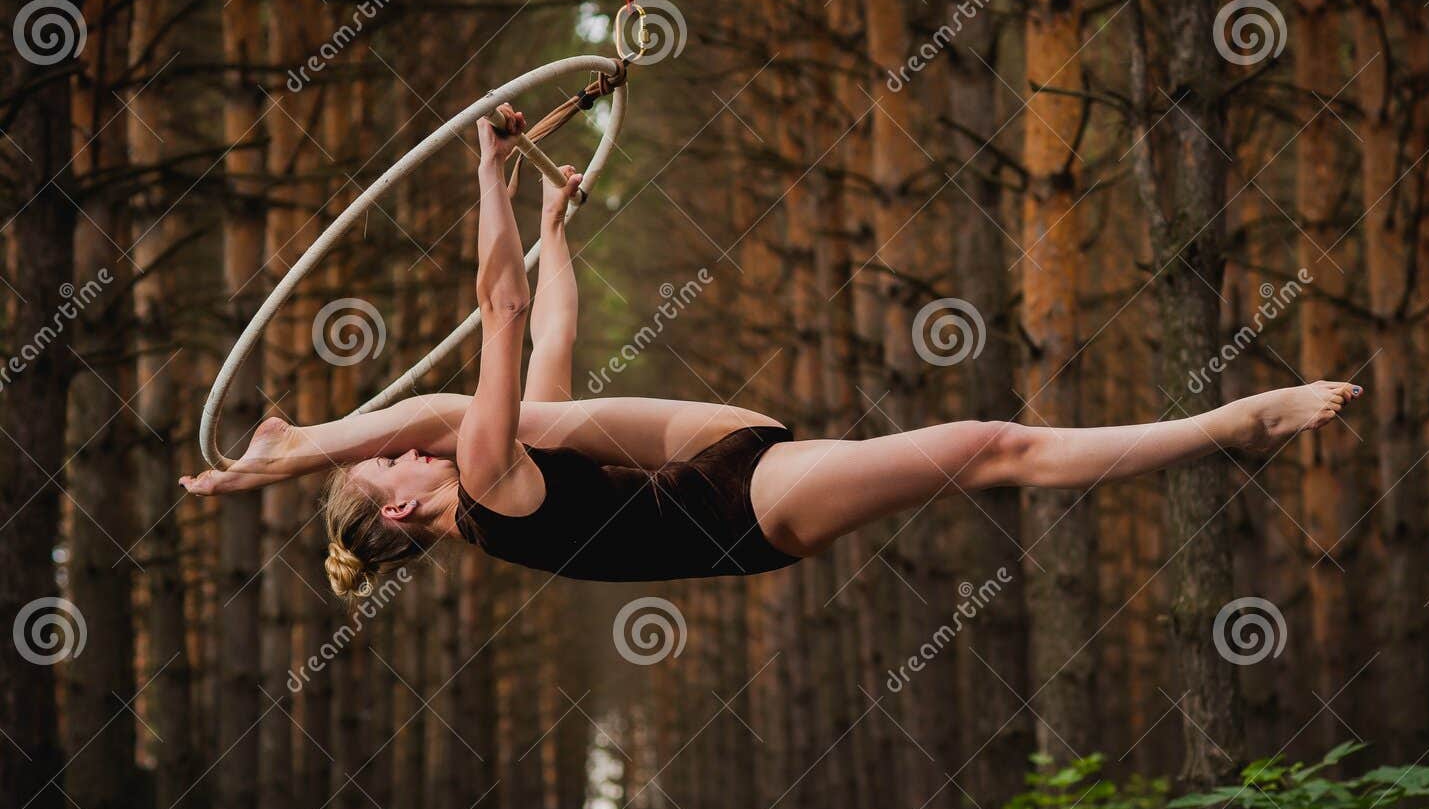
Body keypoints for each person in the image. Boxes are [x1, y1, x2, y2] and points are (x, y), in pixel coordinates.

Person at [182, 106, 1361, 600]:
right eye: (382, 460)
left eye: (375, 444)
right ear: (400, 509)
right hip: (746, 503)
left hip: (738, 465)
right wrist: (486, 176)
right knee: (991, 447)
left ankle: (290, 451)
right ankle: (1231, 425)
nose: (402, 446)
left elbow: (544, 334)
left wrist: (547, 232)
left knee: (494, 395)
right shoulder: (486, 486)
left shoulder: (512, 457)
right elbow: (490, 320)